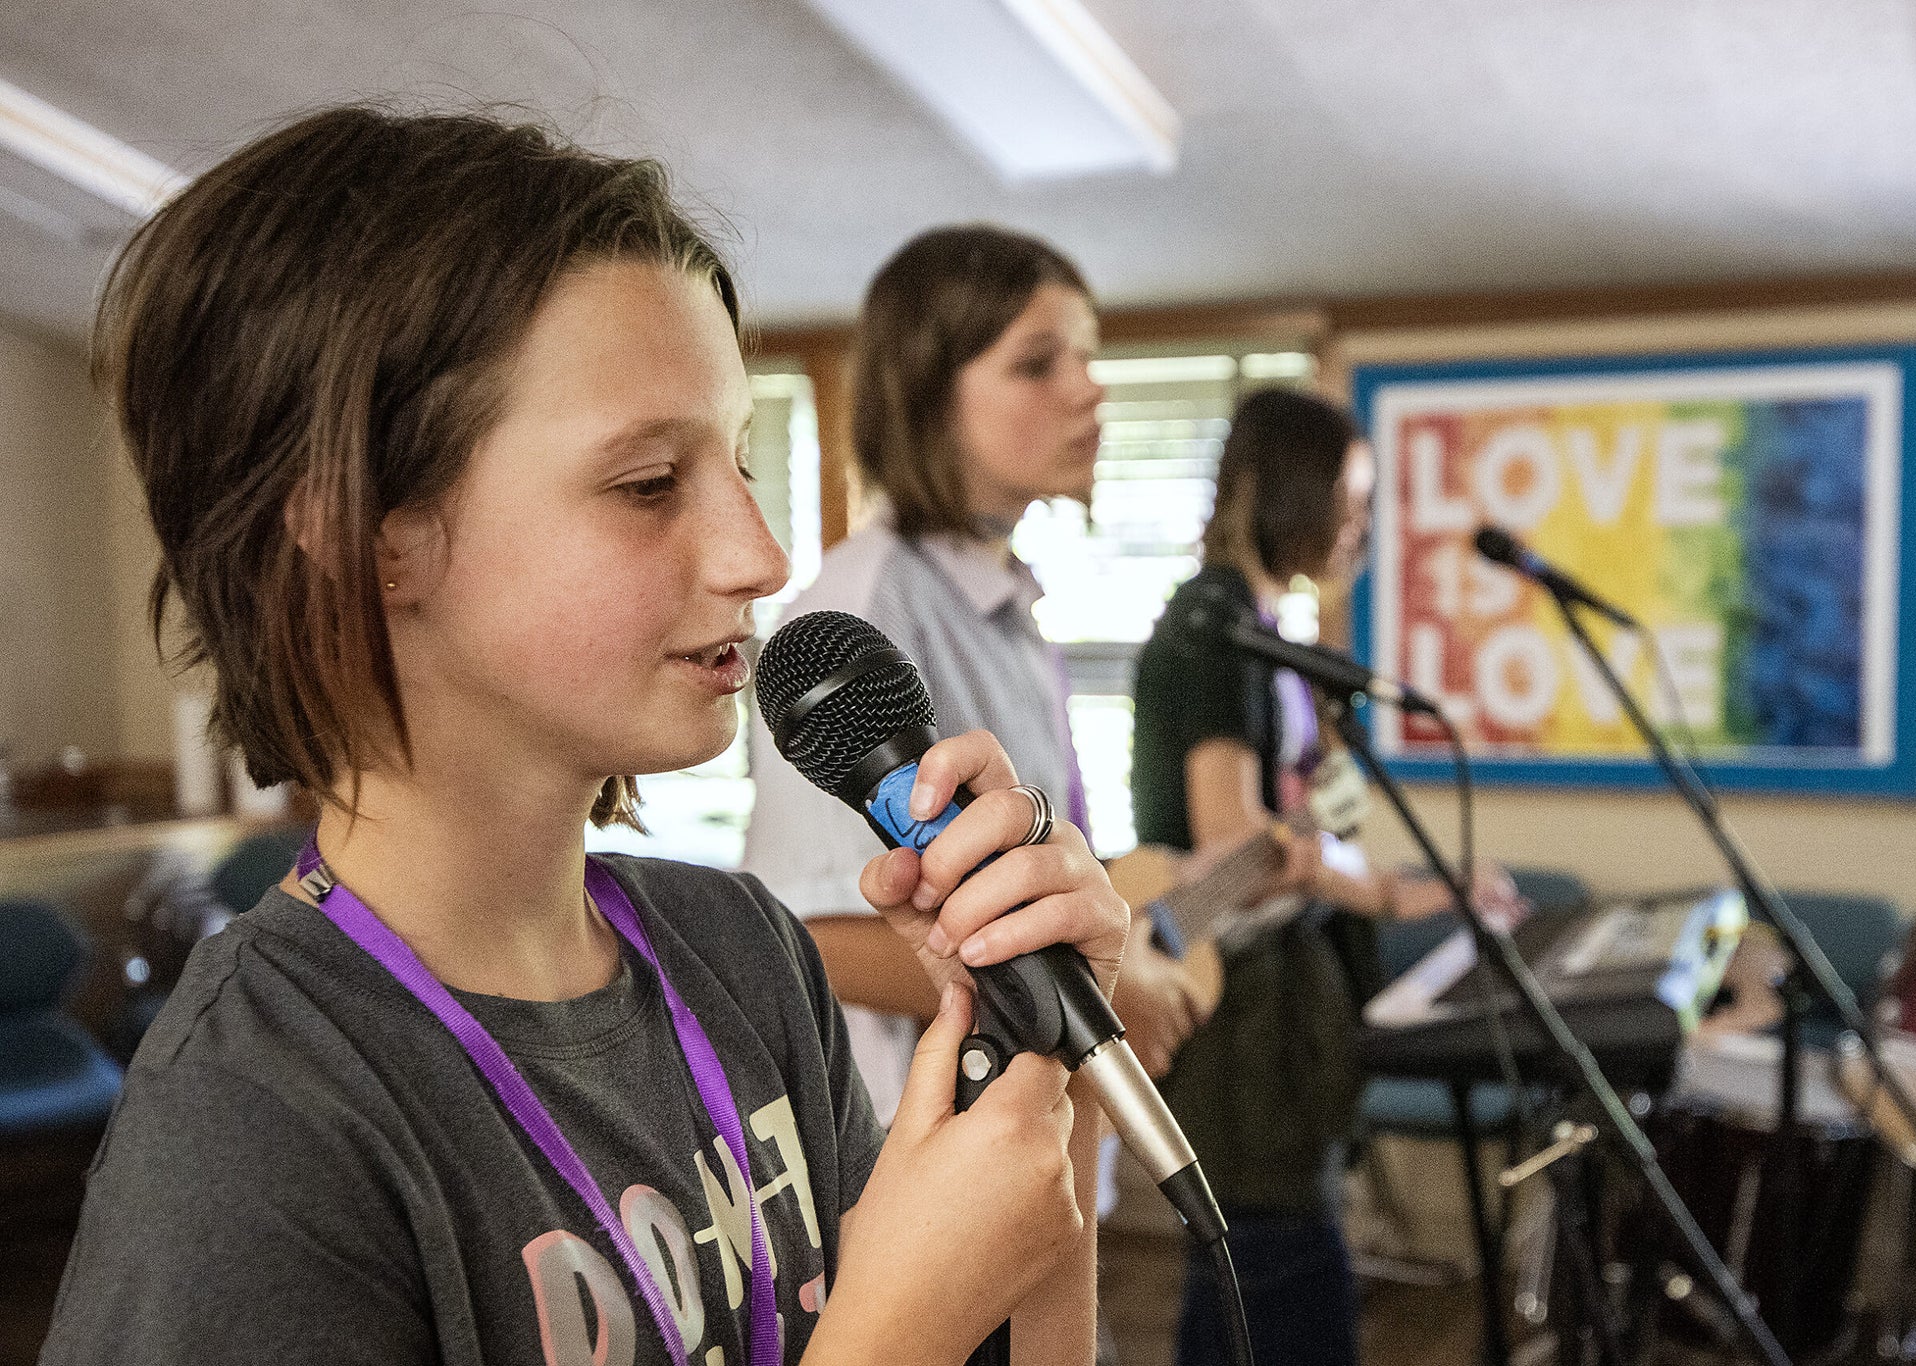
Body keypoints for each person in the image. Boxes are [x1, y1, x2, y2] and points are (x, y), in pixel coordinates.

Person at [40, 107, 1127, 1366]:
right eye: (646, 484)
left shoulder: (747, 959)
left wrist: (1051, 1071)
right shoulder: (255, 1117)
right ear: (359, 532)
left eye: (733, 465)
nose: (759, 556)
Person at [743, 225, 1209, 1128]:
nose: (1089, 387)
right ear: (926, 395)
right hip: (907, 1142)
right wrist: (1095, 1004)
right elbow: (819, 933)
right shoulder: (865, 608)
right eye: (1039, 364)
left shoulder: (1005, 600)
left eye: (1088, 355)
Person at [1130, 387, 1521, 1366]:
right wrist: (1391, 892)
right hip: (1239, 1008)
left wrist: (1405, 883)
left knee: (1259, 1277)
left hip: (1274, 996)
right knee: (1277, 1277)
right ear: (1285, 491)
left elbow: (1295, 826)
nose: (1359, 526)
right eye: (1346, 498)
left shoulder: (1258, 624)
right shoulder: (1213, 629)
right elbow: (1239, 845)